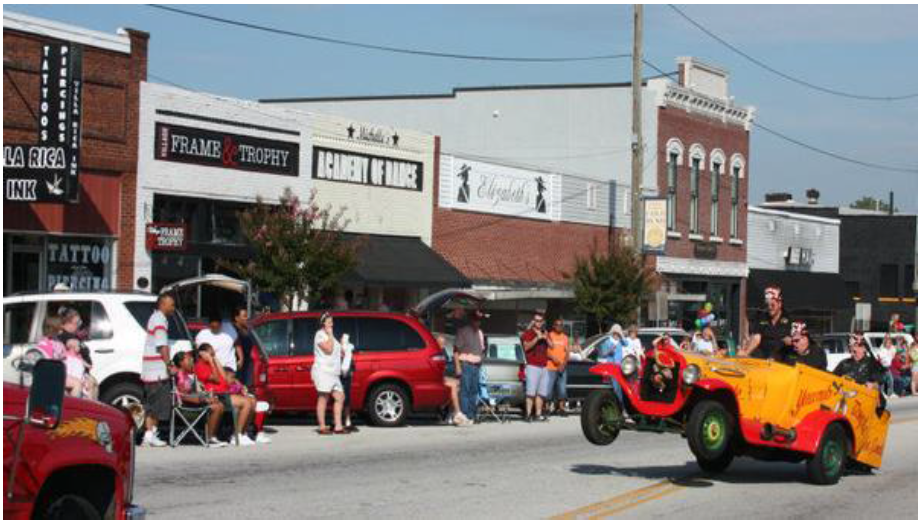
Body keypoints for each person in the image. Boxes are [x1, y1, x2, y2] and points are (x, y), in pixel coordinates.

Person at [195, 343, 258, 445]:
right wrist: (211, 361)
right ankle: (236, 435)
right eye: (210, 353)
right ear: (202, 354)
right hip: (217, 395)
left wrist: (215, 359)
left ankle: (243, 433)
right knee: (246, 403)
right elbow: (215, 378)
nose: (213, 355)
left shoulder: (213, 363)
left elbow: (224, 378)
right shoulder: (200, 366)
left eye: (213, 353)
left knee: (252, 401)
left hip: (224, 393)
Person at [140, 294, 175, 447]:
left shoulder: (155, 318)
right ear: (162, 304)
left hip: (150, 370)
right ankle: (151, 433)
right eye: (171, 305)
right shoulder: (159, 320)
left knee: (151, 404)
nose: (173, 308)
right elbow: (162, 346)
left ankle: (149, 435)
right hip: (157, 371)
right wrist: (169, 364)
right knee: (158, 404)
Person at [173, 350, 227, 448]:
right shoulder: (180, 377)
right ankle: (209, 439)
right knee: (216, 407)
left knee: (220, 405)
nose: (191, 361)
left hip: (193, 403)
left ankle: (212, 436)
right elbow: (184, 396)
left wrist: (206, 396)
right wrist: (204, 400)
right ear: (181, 363)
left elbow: (193, 393)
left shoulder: (187, 376)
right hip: (185, 408)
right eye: (188, 359)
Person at [313, 312, 346, 435]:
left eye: (332, 321)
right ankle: (322, 426)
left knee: (340, 396)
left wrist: (342, 346)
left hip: (334, 373)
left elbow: (336, 351)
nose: (331, 323)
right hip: (323, 371)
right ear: (323, 323)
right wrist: (331, 335)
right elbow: (328, 349)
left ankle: (338, 426)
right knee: (323, 397)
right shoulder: (320, 335)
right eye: (329, 321)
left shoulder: (331, 336)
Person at [741, 285, 792, 361]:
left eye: (772, 305)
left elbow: (791, 341)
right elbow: (756, 338)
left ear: (780, 304)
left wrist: (775, 356)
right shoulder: (762, 317)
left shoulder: (789, 319)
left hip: (781, 359)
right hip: (763, 358)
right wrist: (745, 353)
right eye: (767, 305)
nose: (769, 307)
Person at [455, 310, 486, 425]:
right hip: (466, 364)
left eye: (479, 320)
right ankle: (465, 415)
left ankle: (471, 415)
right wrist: (458, 367)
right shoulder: (463, 331)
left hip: (476, 365)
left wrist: (481, 359)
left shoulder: (480, 333)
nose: (478, 322)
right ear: (471, 320)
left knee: (474, 391)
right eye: (476, 319)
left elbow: (482, 349)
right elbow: (456, 351)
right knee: (465, 391)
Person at [520, 310, 550, 422]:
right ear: (533, 321)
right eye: (536, 321)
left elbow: (551, 346)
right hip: (532, 365)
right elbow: (526, 347)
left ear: (543, 322)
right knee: (530, 392)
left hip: (544, 366)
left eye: (540, 321)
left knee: (541, 393)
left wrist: (545, 337)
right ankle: (528, 414)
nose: (538, 323)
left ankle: (538, 414)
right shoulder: (528, 333)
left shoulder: (545, 332)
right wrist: (537, 338)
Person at [597, 324, 628, 403]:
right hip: (611, 367)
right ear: (613, 332)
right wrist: (609, 351)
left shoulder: (620, 341)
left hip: (619, 367)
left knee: (619, 387)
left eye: (618, 333)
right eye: (616, 333)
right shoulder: (607, 341)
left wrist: (622, 336)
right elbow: (603, 353)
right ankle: (617, 403)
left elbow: (626, 343)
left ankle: (619, 403)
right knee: (614, 387)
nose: (617, 335)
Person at [438, 335, 465, 426]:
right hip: (438, 378)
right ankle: (458, 413)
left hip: (444, 377)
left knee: (457, 385)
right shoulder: (436, 352)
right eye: (441, 343)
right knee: (454, 385)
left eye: (443, 343)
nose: (443, 344)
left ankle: (450, 415)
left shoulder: (443, 351)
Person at [545, 318, 570, 417]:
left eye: (561, 325)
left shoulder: (565, 338)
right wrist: (554, 359)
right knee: (548, 389)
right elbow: (546, 351)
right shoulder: (549, 335)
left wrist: (563, 364)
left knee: (562, 389)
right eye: (557, 325)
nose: (559, 326)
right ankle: (546, 409)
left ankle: (561, 409)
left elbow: (568, 353)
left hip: (562, 368)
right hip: (551, 367)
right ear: (554, 326)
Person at [231, 307, 254, 387]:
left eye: (247, 316)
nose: (246, 318)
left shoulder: (246, 329)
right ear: (236, 318)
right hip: (239, 366)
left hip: (247, 365)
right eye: (244, 316)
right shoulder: (233, 332)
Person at [340, 331, 358, 433]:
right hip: (337, 374)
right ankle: (336, 421)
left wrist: (351, 370)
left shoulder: (349, 350)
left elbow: (352, 364)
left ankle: (347, 421)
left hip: (346, 376)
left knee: (346, 398)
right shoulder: (336, 348)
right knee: (337, 398)